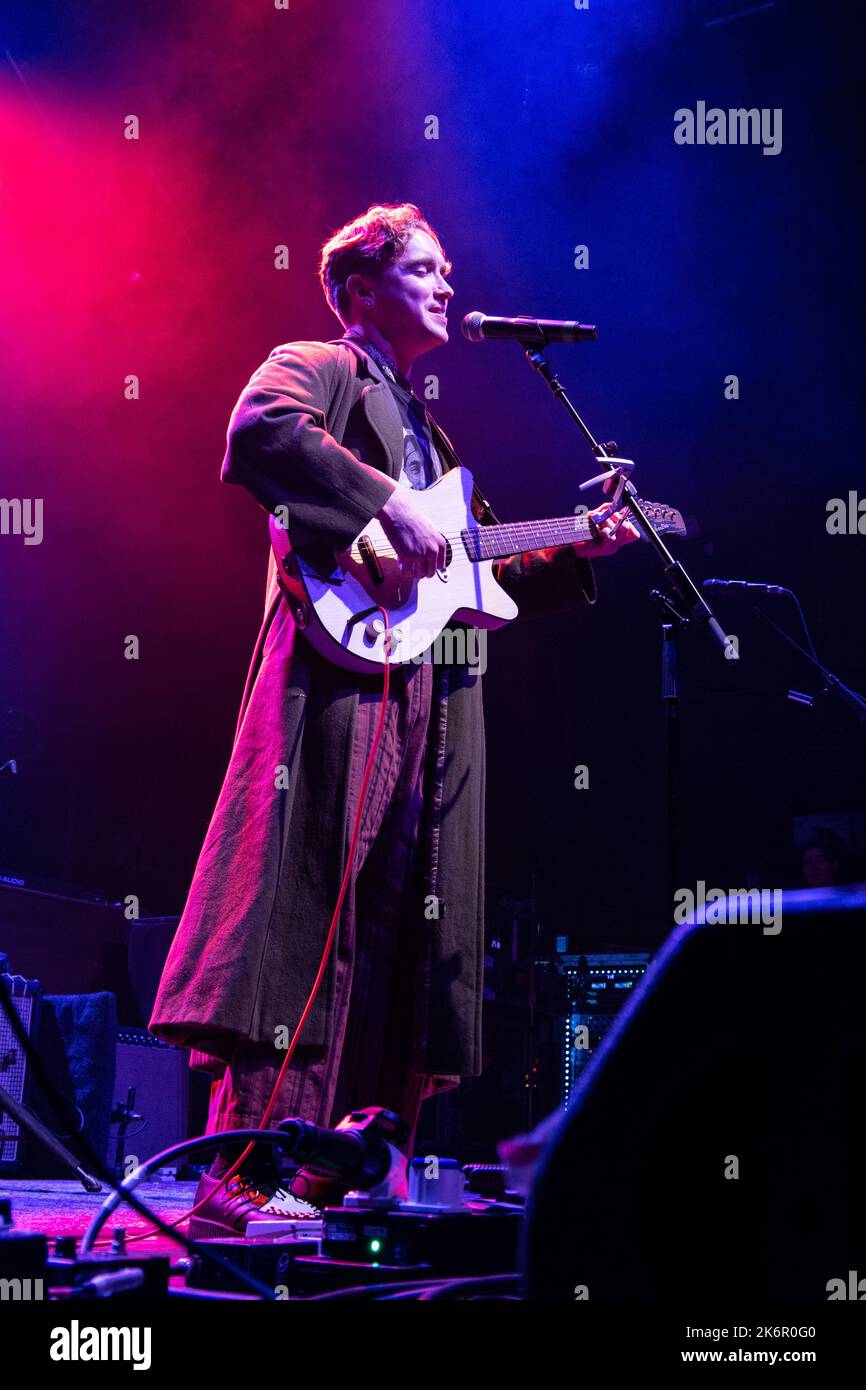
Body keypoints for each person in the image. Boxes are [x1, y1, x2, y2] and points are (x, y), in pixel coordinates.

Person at [148, 202, 639, 1236]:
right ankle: (242, 1171)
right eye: (424, 267)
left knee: (399, 928)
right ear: (358, 286)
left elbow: (479, 569)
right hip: (334, 679)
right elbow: (260, 434)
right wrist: (383, 499)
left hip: (431, 695)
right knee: (302, 907)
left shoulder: (435, 431)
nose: (447, 283)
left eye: (447, 268)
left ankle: (329, 1170)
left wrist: (581, 545)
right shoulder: (317, 364)